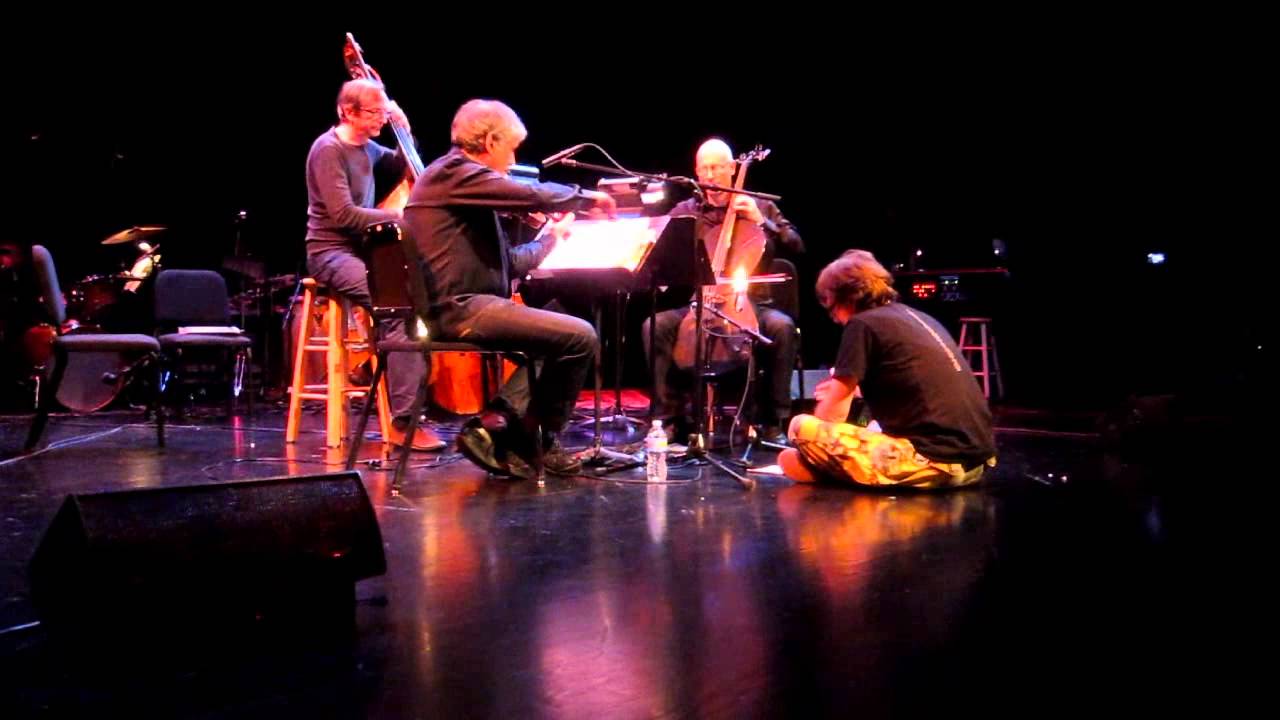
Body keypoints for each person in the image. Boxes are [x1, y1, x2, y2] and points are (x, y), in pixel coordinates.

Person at [403, 99, 617, 477]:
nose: (512, 159)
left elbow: (512, 264)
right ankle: (533, 439)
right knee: (580, 336)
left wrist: (552, 237)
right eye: (511, 148)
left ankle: (501, 425)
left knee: (562, 327)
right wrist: (585, 199)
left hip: (475, 303)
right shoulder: (453, 172)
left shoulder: (468, 189)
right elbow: (529, 193)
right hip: (458, 309)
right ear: (489, 140)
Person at [778, 250, 996, 489]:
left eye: (831, 309)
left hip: (935, 463)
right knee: (869, 430)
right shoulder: (915, 316)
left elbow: (832, 418)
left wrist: (827, 417)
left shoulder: (861, 324)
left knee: (800, 427)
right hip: (977, 464)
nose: (834, 319)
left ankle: (836, 470)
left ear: (844, 298)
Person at [304, 78, 443, 451]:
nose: (382, 119)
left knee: (416, 300)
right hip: (329, 253)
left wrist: (405, 129)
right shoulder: (327, 150)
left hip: (363, 251)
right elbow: (343, 215)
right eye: (375, 113)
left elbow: (402, 164)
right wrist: (399, 219)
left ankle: (410, 410)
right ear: (347, 112)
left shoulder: (368, 148)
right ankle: (403, 424)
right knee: (395, 306)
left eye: (384, 112)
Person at [642, 138, 804, 442]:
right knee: (656, 325)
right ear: (696, 173)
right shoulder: (686, 211)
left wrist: (760, 219)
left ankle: (773, 421)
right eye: (704, 169)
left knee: (782, 328)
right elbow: (656, 245)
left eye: (717, 167)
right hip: (701, 301)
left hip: (751, 302)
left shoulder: (761, 205)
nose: (711, 175)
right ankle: (669, 419)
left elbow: (796, 245)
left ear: (732, 169)